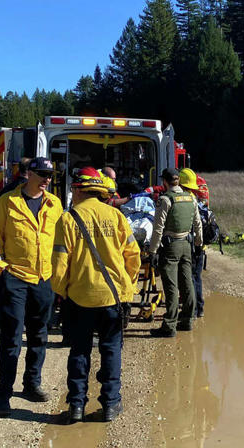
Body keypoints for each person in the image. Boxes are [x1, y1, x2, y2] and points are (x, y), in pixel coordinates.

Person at [51, 171, 141, 423]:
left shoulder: (67, 219)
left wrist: (62, 293)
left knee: (79, 351)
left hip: (80, 298)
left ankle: (77, 406)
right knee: (111, 351)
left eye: (74, 190)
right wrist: (127, 288)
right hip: (113, 299)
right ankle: (111, 406)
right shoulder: (116, 216)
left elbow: (59, 264)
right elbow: (133, 256)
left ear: (79, 191)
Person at [0, 157, 63, 417]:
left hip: (44, 280)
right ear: (28, 174)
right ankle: (3, 394)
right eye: (42, 174)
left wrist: (60, 277)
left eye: (50, 175)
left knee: (39, 335)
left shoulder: (55, 204)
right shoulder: (7, 203)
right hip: (16, 279)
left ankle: (32, 384)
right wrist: (2, 270)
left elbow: (61, 243)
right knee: (11, 338)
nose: (46, 180)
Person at [148, 168, 203, 337]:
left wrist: (152, 251)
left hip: (171, 246)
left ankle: (169, 326)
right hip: (187, 245)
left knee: (171, 285)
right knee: (187, 282)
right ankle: (187, 321)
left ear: (165, 181)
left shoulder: (165, 199)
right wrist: (199, 244)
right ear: (178, 180)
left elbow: (158, 229)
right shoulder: (190, 198)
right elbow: (197, 223)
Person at [179, 168, 205, 318]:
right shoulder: (196, 198)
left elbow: (195, 224)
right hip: (200, 244)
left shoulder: (185, 200)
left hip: (192, 244)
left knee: (189, 278)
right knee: (197, 277)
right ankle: (199, 308)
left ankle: (193, 311)